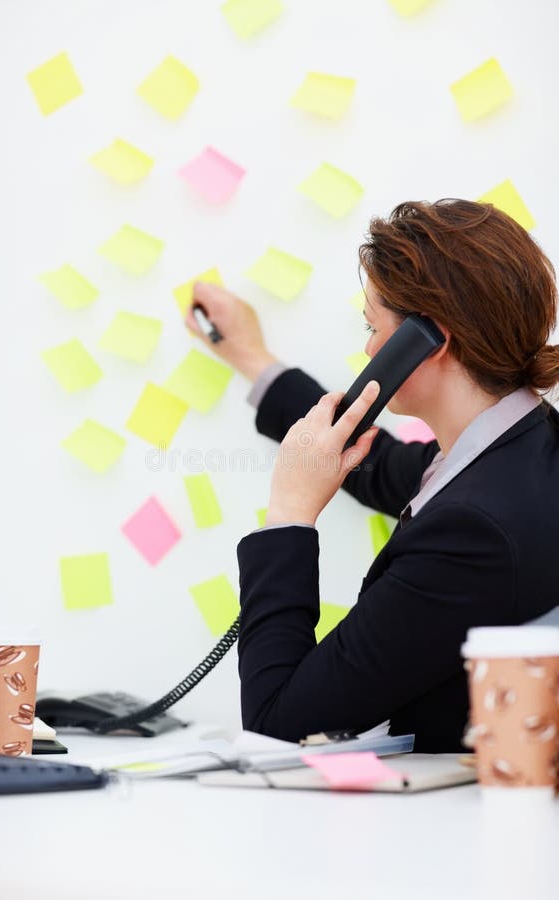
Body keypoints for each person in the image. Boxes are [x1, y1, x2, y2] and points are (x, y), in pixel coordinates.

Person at [184, 199, 559, 752]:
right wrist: (254, 359)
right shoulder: (520, 449)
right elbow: (380, 465)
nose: (366, 349)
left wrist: (289, 513)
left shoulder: (472, 530)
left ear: (430, 341)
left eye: (372, 326)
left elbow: (279, 725)